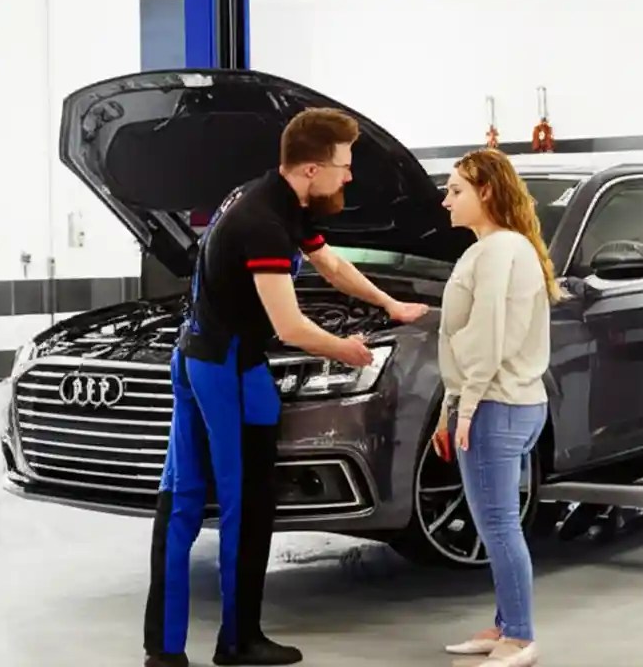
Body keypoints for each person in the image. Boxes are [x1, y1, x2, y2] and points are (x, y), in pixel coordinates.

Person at [143, 107, 430, 667]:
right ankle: (219, 644)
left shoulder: (276, 198)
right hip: (220, 367)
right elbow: (291, 327)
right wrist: (347, 349)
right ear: (310, 170)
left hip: (216, 358)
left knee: (209, 497)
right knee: (231, 502)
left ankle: (194, 644)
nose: (348, 177)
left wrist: (390, 305)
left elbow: (332, 267)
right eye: (343, 166)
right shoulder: (262, 222)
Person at [432, 148, 563, 667]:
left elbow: (486, 335)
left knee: (499, 526)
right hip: (514, 403)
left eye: (456, 190)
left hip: (494, 405)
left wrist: (464, 410)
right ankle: (506, 623)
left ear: (486, 191)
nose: (446, 201)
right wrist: (452, 405)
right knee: (497, 522)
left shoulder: (495, 252)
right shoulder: (506, 248)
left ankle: (521, 637)